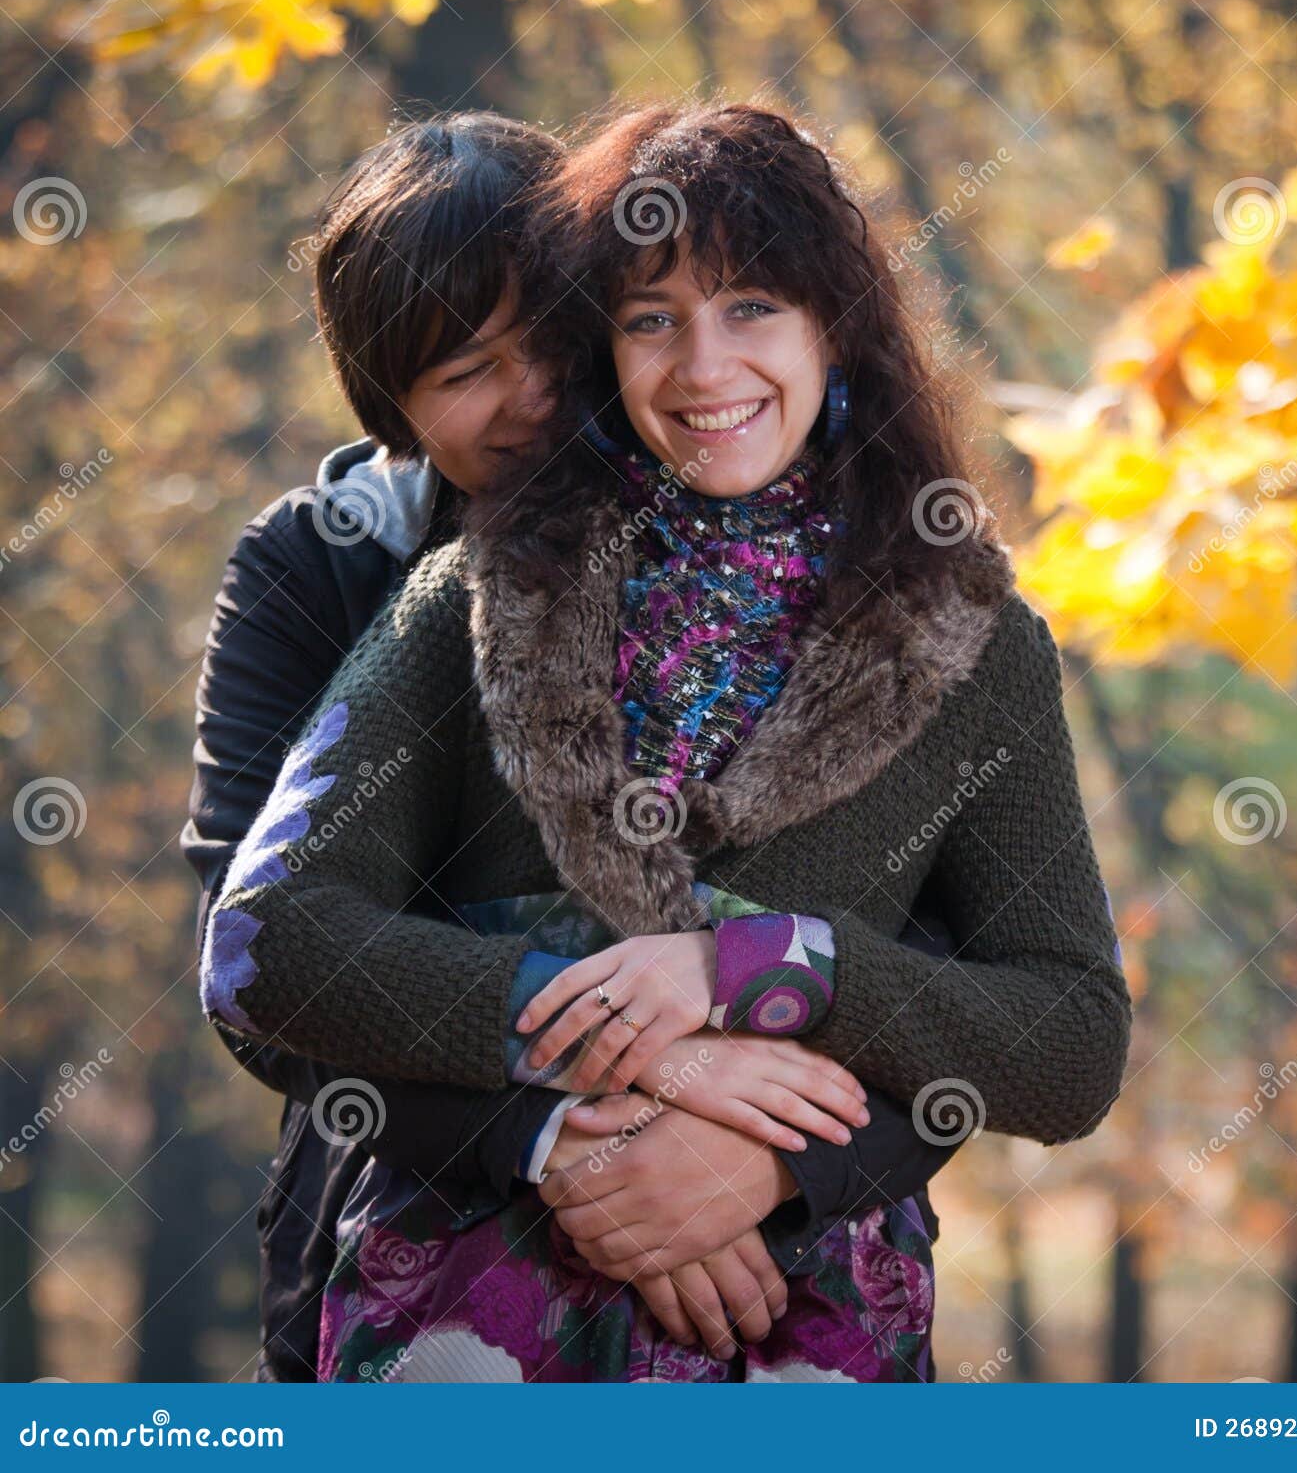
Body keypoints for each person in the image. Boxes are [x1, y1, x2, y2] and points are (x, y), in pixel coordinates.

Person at [200, 102, 1132, 1382]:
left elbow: (1060, 1032)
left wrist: (761, 996)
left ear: (833, 324)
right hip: (466, 1304)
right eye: (652, 319)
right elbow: (265, 945)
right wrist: (593, 1090)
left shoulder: (973, 642)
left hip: (799, 1315)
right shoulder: (460, 589)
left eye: (753, 306)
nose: (703, 366)